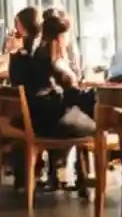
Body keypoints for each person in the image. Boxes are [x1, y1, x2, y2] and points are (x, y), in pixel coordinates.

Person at [14, 9, 97, 139]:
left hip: (39, 120)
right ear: (60, 37)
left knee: (85, 109)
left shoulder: (36, 56)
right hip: (49, 123)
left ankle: (63, 160)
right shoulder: (51, 62)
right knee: (97, 124)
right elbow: (63, 95)